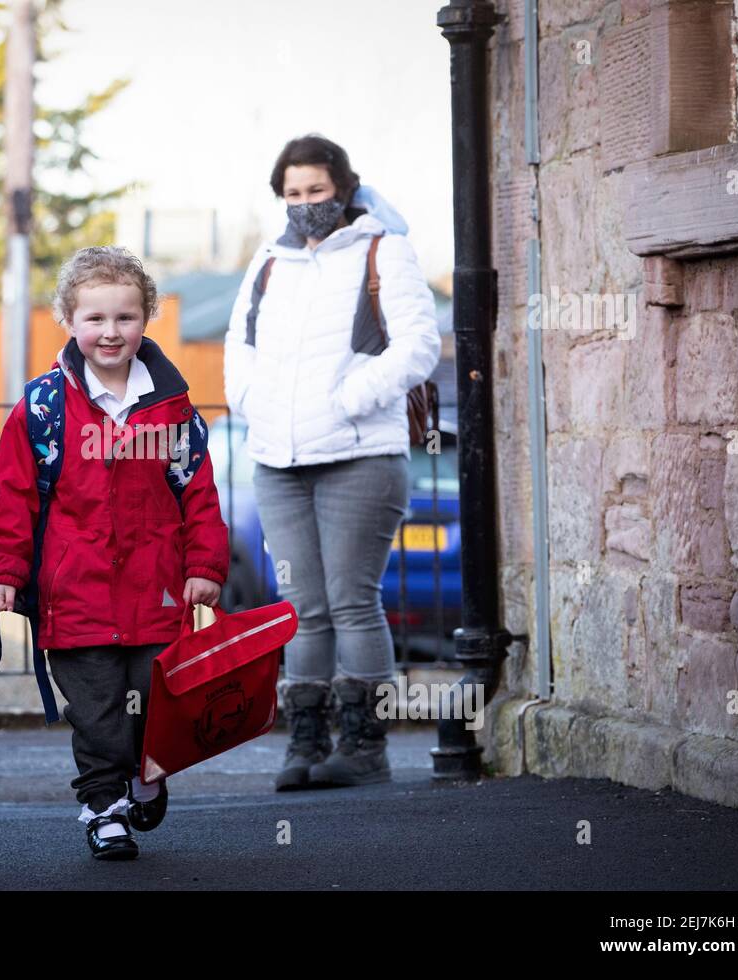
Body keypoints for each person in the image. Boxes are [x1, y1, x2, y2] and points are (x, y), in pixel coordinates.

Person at [0, 246, 229, 860]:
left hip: (157, 591)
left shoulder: (173, 406)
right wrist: (8, 571)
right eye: (94, 319)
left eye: (125, 317)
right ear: (68, 320)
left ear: (146, 317)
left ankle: (148, 771)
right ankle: (104, 810)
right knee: (96, 714)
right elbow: (15, 497)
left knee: (153, 701)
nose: (110, 332)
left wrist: (204, 566)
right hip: (75, 597)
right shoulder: (42, 406)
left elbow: (197, 490)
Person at [224, 134, 441, 792]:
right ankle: (305, 745)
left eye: (316, 191)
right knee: (302, 609)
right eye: (292, 194)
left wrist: (350, 400)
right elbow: (241, 344)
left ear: (343, 190)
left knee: (352, 603)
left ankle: (365, 749)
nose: (305, 204)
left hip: (359, 457)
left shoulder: (384, 249)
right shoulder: (268, 261)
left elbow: (419, 346)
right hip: (277, 459)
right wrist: (250, 403)